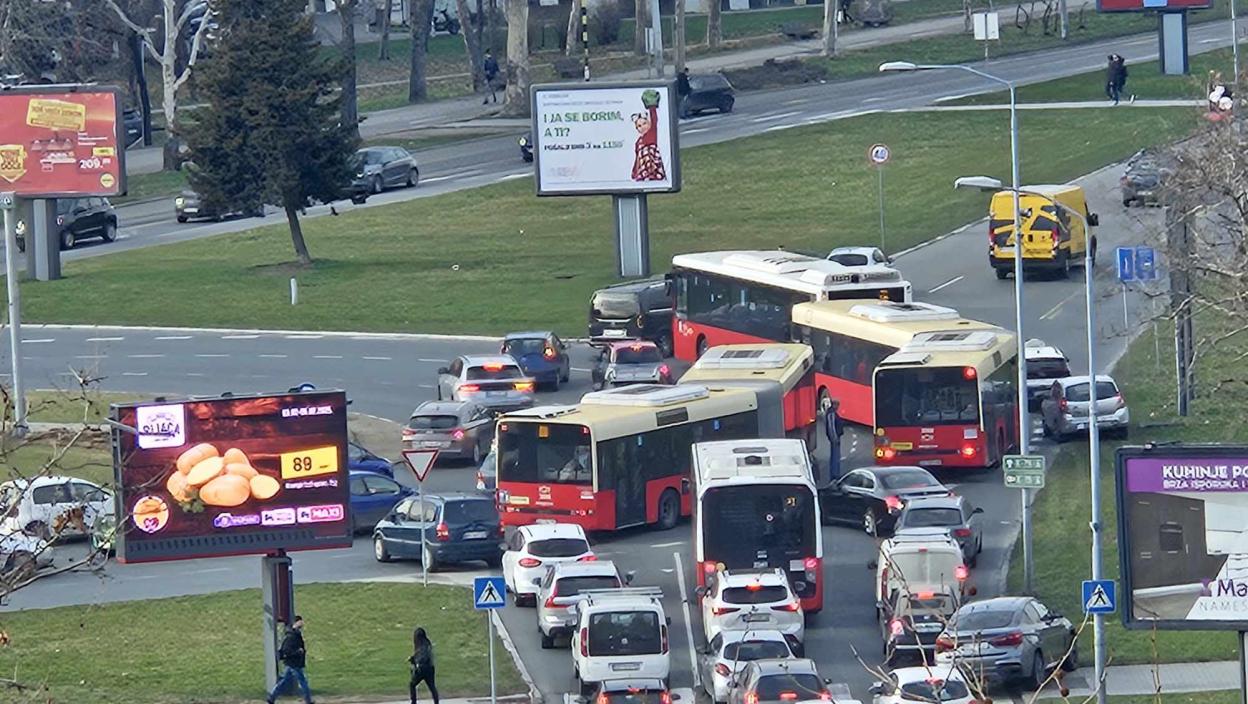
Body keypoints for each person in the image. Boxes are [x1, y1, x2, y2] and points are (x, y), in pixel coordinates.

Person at [267, 615, 313, 704]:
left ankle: (271, 698)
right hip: (294, 663)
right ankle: (308, 700)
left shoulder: (293, 634)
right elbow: (288, 651)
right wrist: (298, 652)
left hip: (292, 663)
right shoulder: (292, 636)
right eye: (300, 621)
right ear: (296, 623)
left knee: (284, 681)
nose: (302, 623)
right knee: (303, 682)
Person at [408, 627, 440, 704]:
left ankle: (413, 702)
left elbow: (421, 656)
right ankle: (436, 702)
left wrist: (415, 662)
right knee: (432, 687)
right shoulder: (427, 643)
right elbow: (420, 655)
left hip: (423, 669)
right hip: (430, 668)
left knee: (412, 684)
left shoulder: (422, 645)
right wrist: (413, 658)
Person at [824, 399, 844, 481]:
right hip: (835, 439)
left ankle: (835, 474)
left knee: (836, 456)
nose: (838, 407)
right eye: (837, 405)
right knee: (835, 457)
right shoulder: (831, 414)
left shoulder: (831, 413)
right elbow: (831, 427)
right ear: (834, 405)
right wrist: (835, 438)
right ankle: (835, 475)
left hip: (834, 438)